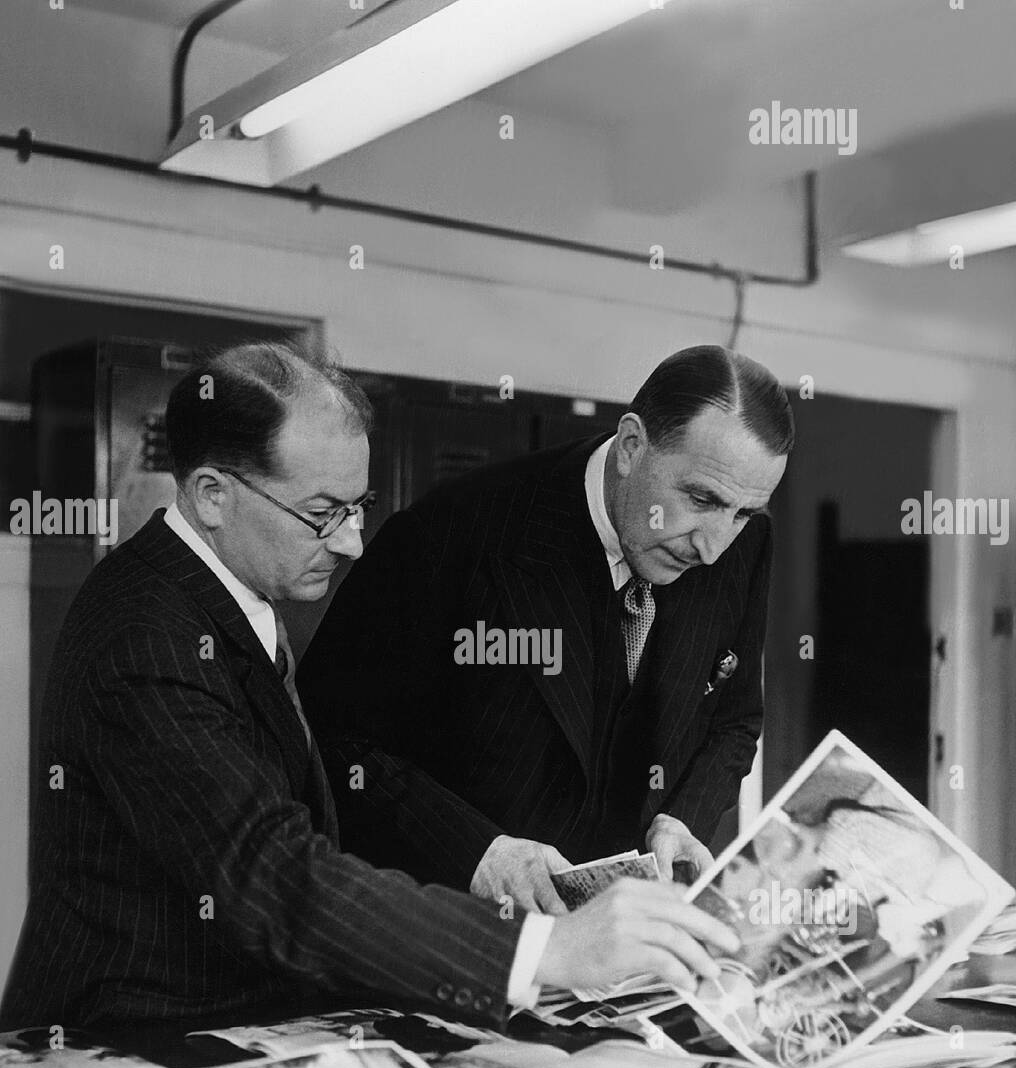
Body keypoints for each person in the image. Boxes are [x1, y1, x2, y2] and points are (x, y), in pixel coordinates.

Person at [0, 343, 737, 1032]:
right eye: (323, 515)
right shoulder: (147, 634)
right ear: (213, 495)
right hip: (126, 1039)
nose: (352, 541)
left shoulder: (231, 593)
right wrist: (543, 952)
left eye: (357, 507)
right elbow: (276, 878)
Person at [298, 345, 793, 914]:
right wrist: (480, 852)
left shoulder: (745, 544)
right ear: (632, 446)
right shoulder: (449, 535)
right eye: (701, 499)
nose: (712, 548)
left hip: (618, 950)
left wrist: (684, 816)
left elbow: (733, 720)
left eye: (743, 513)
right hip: (456, 930)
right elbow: (334, 745)